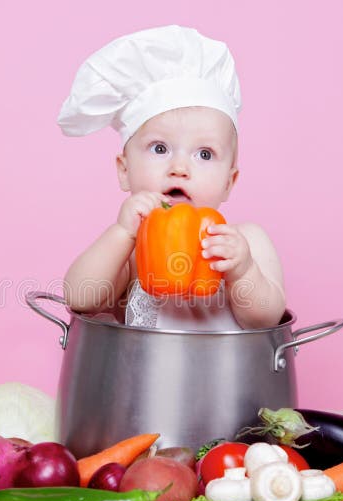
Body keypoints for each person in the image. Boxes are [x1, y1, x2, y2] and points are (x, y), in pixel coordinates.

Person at [57, 25, 285, 330]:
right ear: (125, 171)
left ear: (229, 182)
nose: (179, 168)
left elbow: (267, 319)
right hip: (140, 375)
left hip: (228, 377)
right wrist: (122, 234)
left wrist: (242, 271)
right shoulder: (133, 248)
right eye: (160, 148)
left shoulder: (247, 240)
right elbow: (79, 297)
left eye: (204, 154)